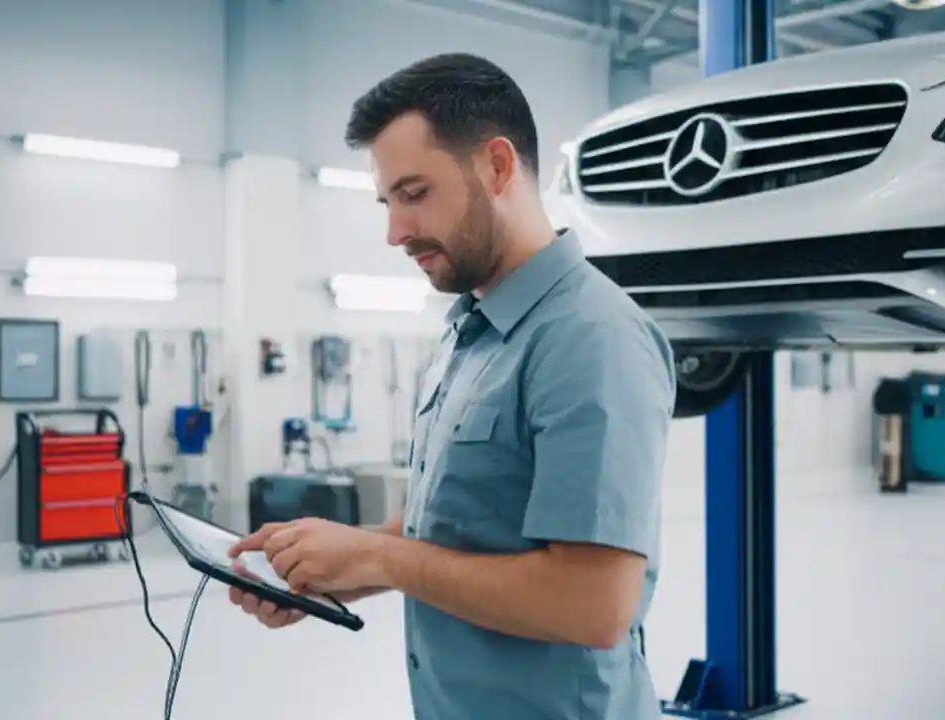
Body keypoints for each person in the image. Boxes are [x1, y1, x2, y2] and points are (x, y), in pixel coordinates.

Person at [228, 52, 676, 720]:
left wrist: (378, 558)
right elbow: (448, 531)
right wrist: (330, 569)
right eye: (387, 202)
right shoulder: (468, 333)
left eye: (414, 194)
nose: (394, 232)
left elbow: (593, 605)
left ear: (497, 167)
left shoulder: (590, 335)